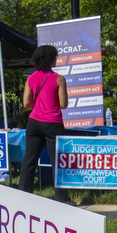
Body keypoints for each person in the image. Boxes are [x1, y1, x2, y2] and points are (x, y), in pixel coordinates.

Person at [20, 44, 73, 204]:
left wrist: (39, 104)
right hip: (53, 124)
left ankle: (23, 196)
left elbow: (26, 103)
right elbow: (63, 104)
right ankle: (62, 199)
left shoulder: (31, 78)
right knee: (58, 161)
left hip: (34, 122)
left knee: (29, 160)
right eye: (55, 57)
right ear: (50, 59)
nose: (57, 59)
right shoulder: (59, 78)